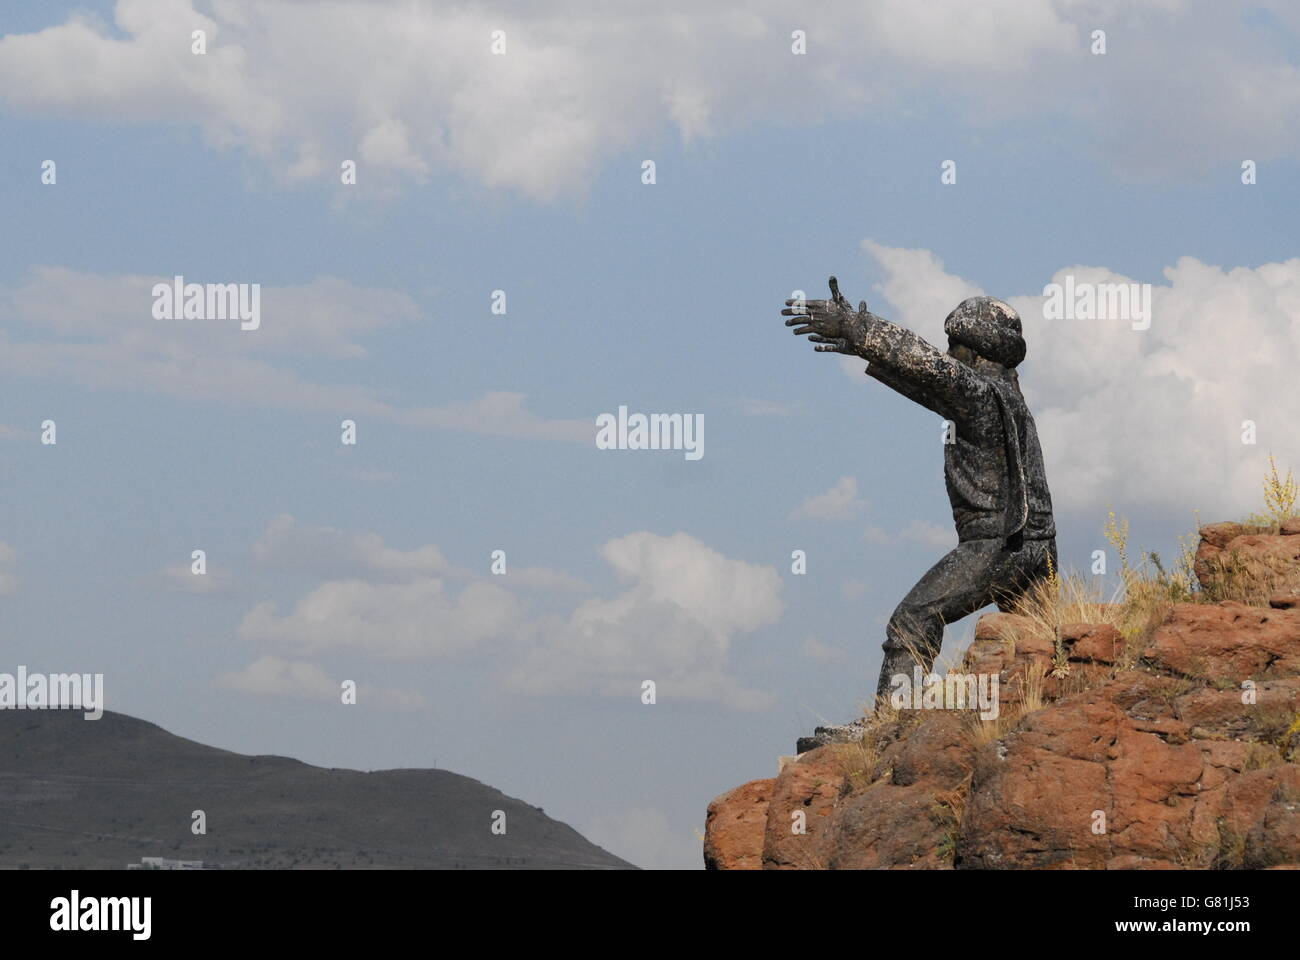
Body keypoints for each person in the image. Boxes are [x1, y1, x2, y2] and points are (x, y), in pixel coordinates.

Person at [782, 277, 1057, 702]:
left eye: (954, 345)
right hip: (1036, 548)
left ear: (976, 350)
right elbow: (932, 386)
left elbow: (930, 367)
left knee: (913, 618)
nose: (948, 353)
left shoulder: (981, 395)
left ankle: (894, 715)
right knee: (1043, 643)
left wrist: (857, 328)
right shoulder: (1004, 397)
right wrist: (864, 349)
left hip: (1000, 545)